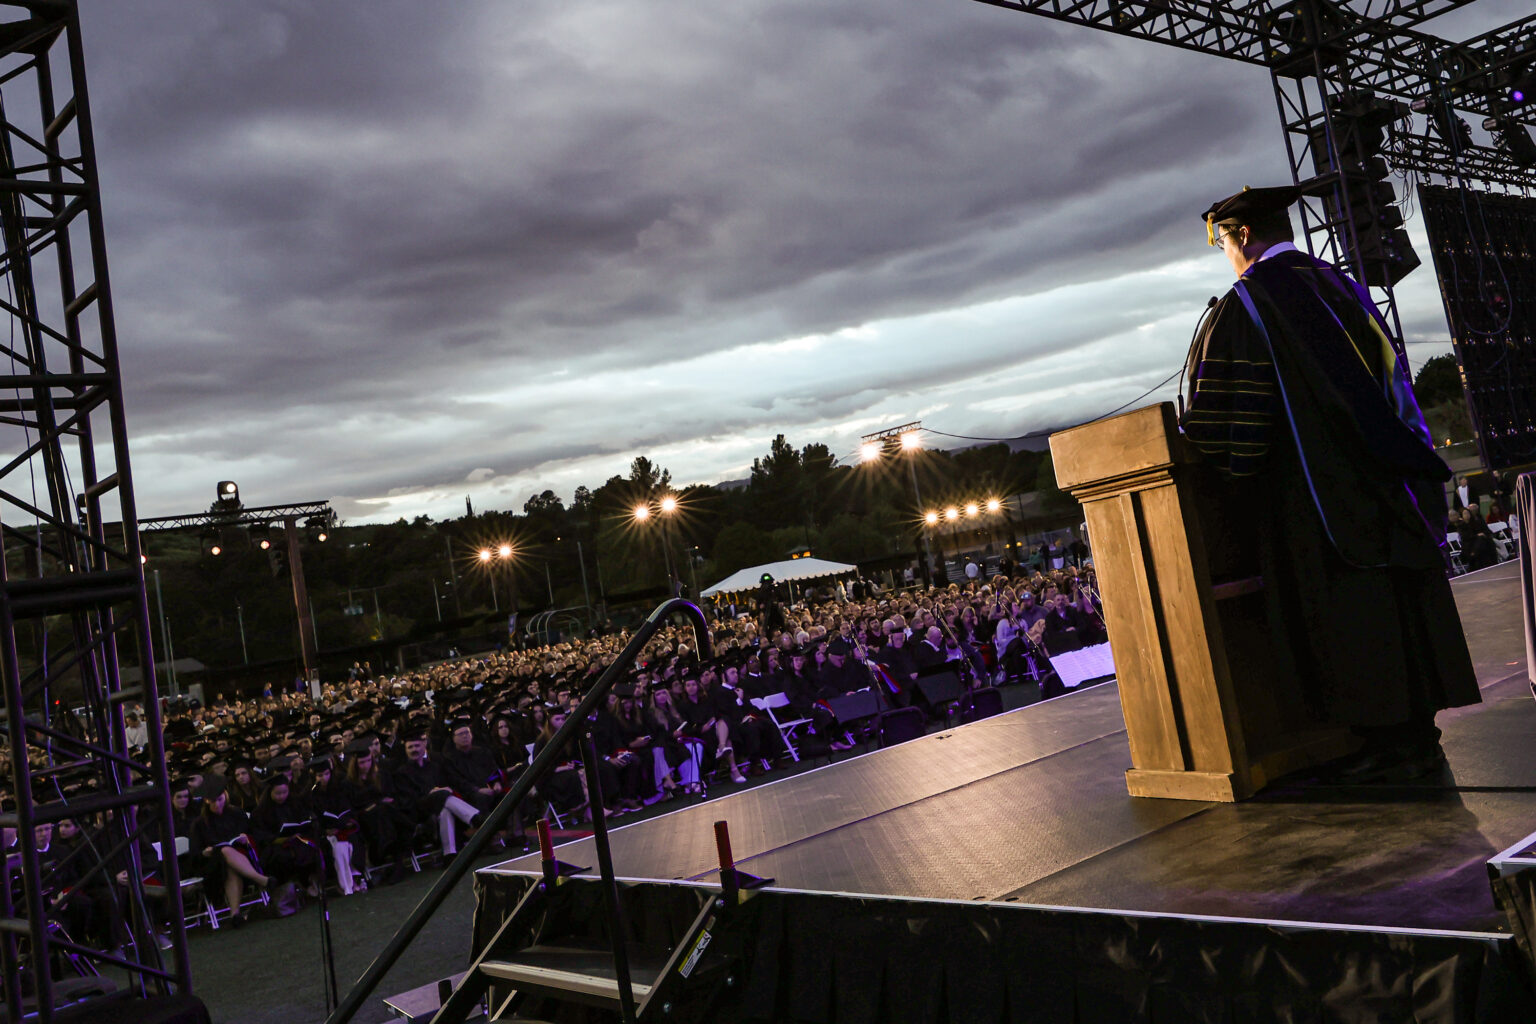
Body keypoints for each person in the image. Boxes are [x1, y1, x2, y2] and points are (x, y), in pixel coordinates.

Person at [1181, 183, 1480, 782]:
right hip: (1382, 475)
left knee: (1347, 610)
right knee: (1391, 596)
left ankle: (1384, 738)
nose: (1228, 256)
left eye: (1224, 244)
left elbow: (1222, 421)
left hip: (1313, 491)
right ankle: (1416, 729)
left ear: (1239, 235)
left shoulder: (1252, 303)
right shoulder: (1340, 284)